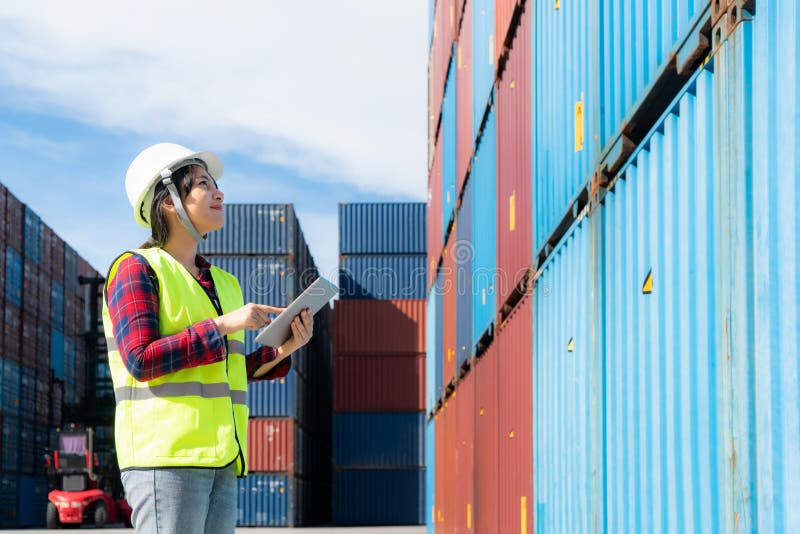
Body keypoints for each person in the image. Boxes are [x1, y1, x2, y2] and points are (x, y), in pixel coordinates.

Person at [101, 142, 314, 533]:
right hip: (164, 460)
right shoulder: (135, 269)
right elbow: (141, 359)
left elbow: (226, 373)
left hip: (222, 459)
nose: (218, 192)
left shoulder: (224, 284)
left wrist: (284, 348)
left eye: (214, 183)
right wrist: (221, 326)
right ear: (168, 202)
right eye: (201, 183)